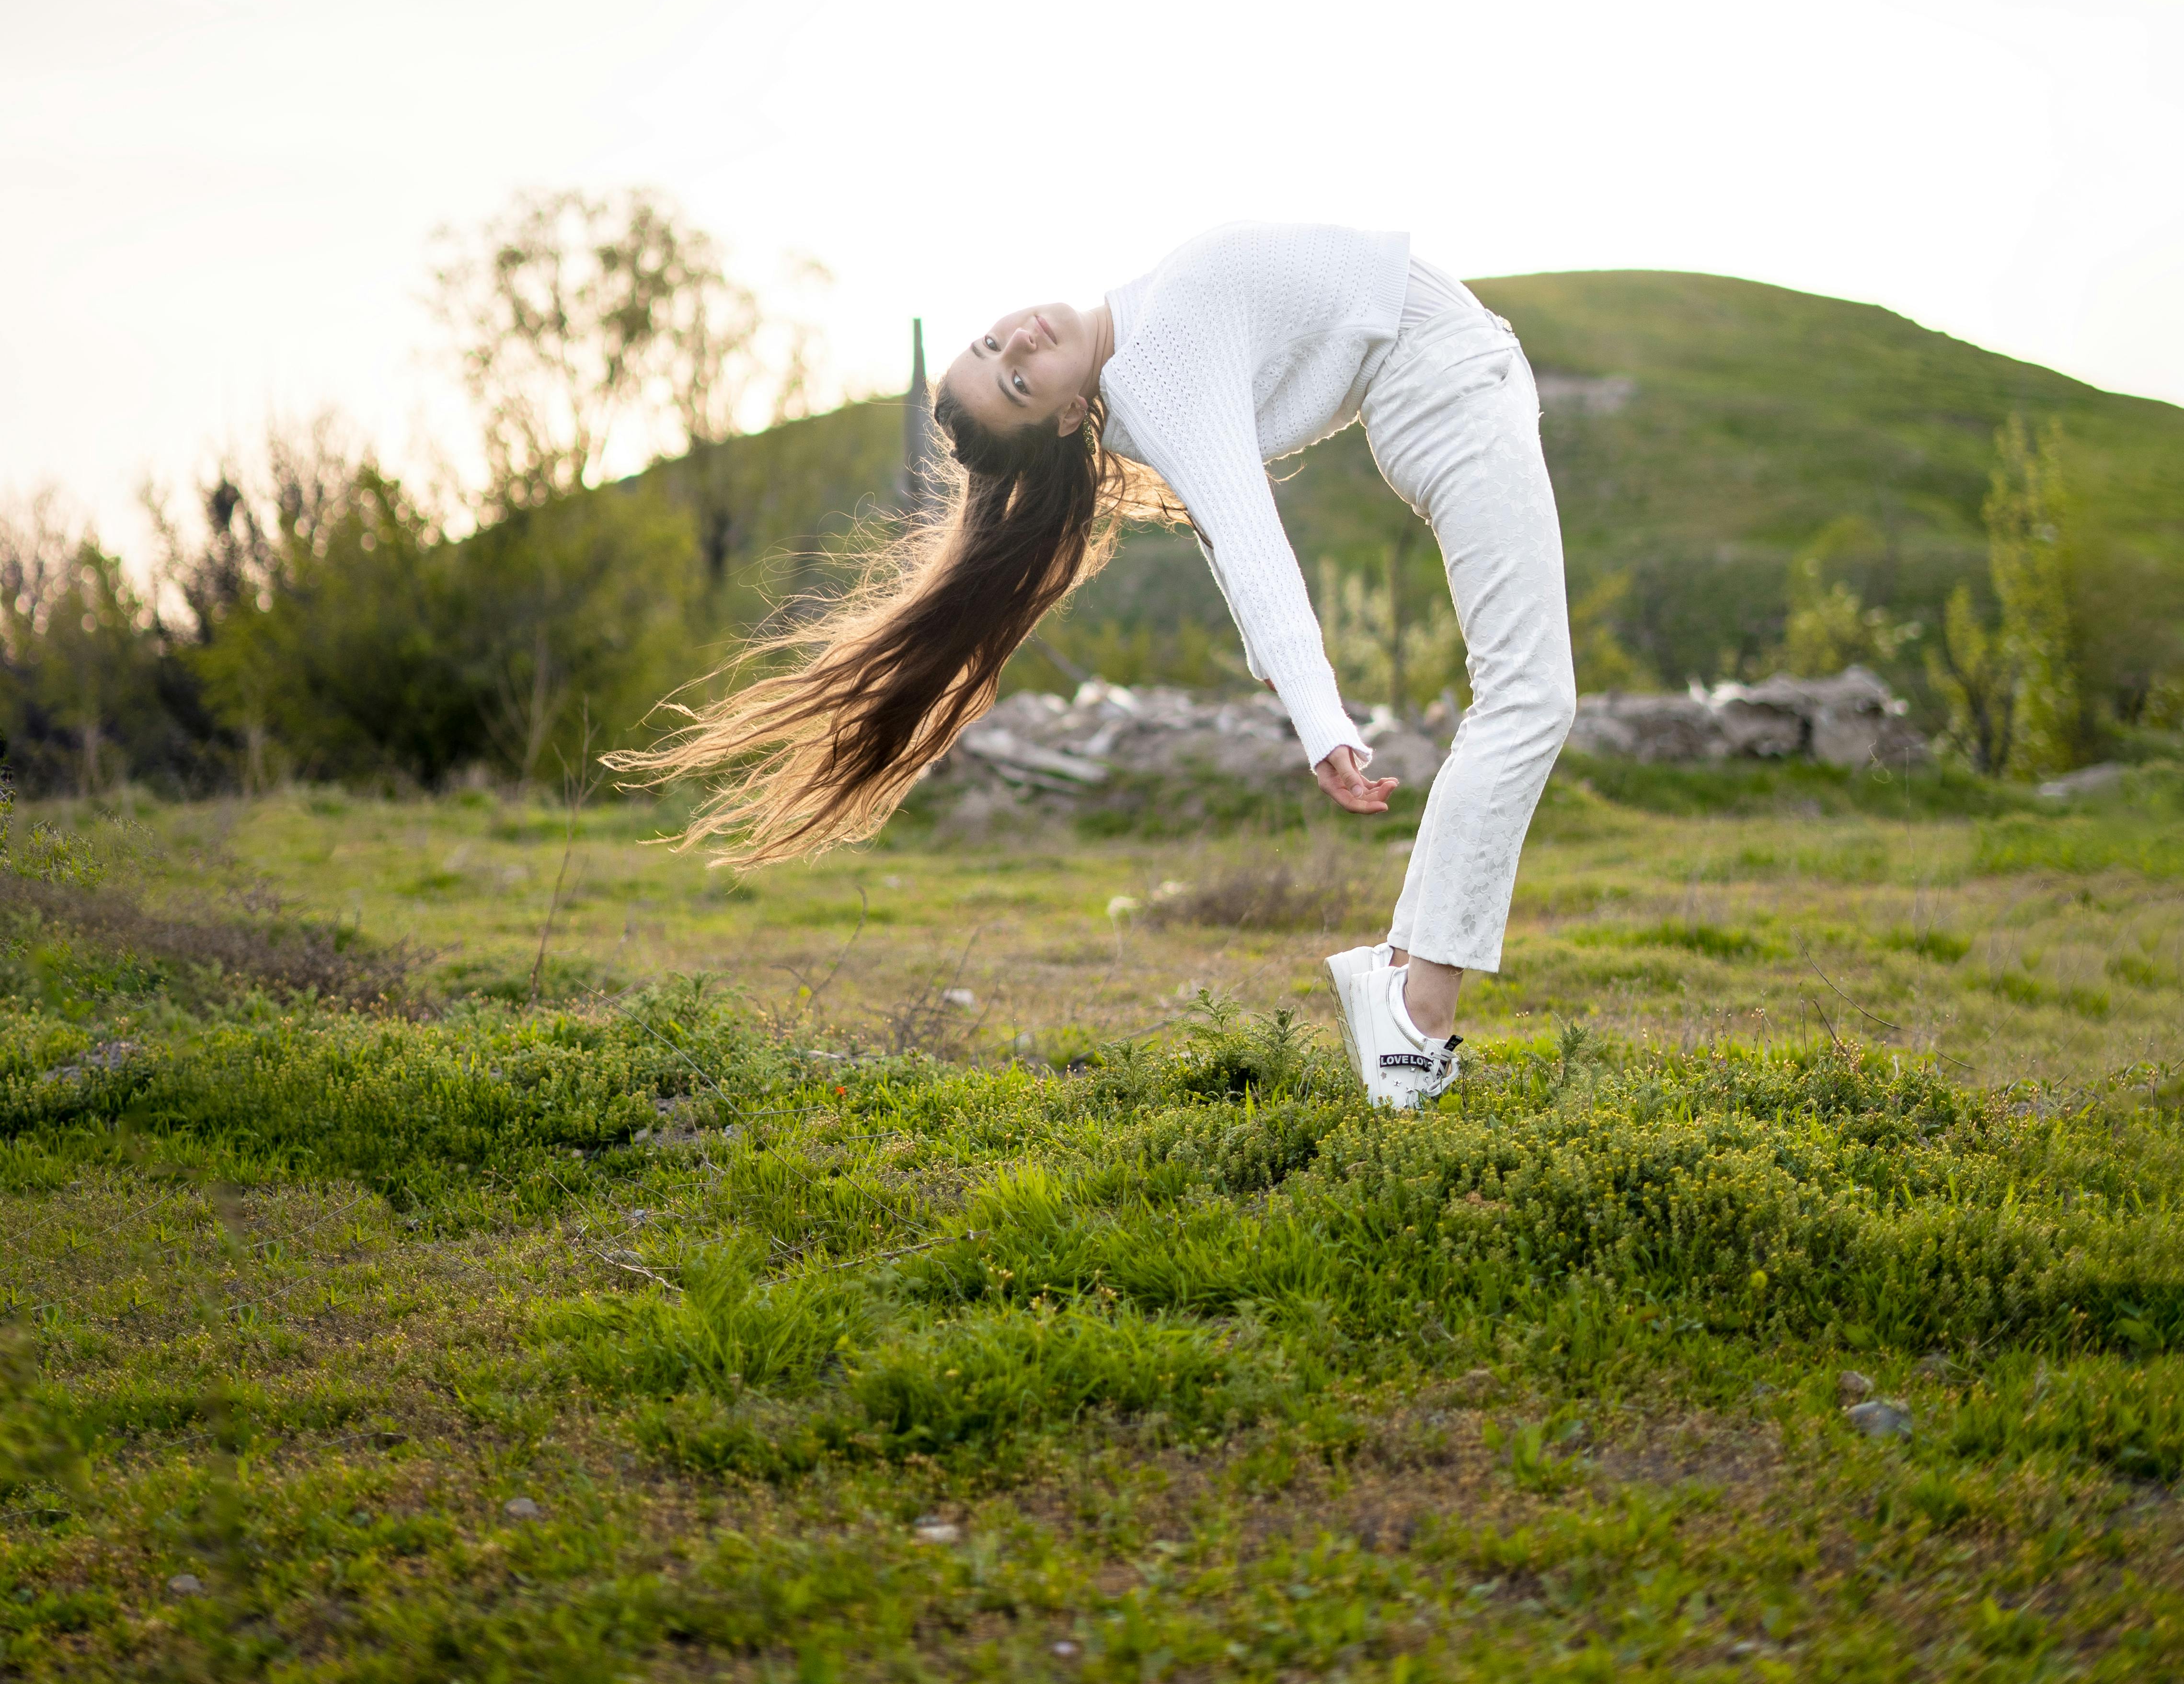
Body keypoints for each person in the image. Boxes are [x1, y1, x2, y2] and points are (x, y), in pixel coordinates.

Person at [627, 224, 1576, 1110]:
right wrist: (1321, 718)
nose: (1018, 342)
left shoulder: (1143, 342)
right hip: (1441, 380)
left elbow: (1220, 523)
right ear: (1068, 410)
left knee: (1524, 694)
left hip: (1446, 369)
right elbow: (1250, 547)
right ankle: (1418, 1021)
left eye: (994, 347)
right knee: (1531, 696)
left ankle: (1403, 989)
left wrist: (1309, 705)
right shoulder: (1155, 358)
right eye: (1019, 377)